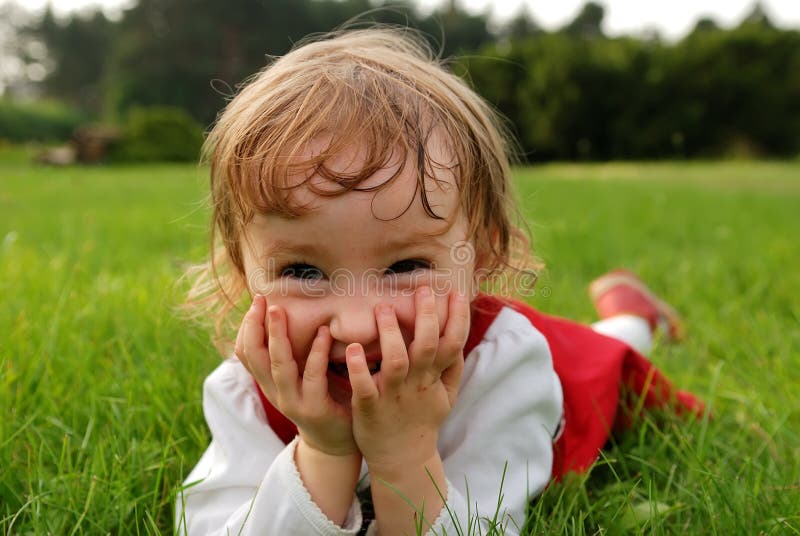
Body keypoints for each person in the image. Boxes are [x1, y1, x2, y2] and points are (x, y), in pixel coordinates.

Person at [176, 27, 701, 536]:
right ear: (245, 273)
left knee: (609, 348)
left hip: (567, 370)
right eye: (303, 272)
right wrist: (324, 450)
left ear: (485, 254)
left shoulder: (507, 365)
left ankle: (632, 313)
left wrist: (405, 454)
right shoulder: (244, 389)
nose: (357, 327)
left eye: (406, 267)